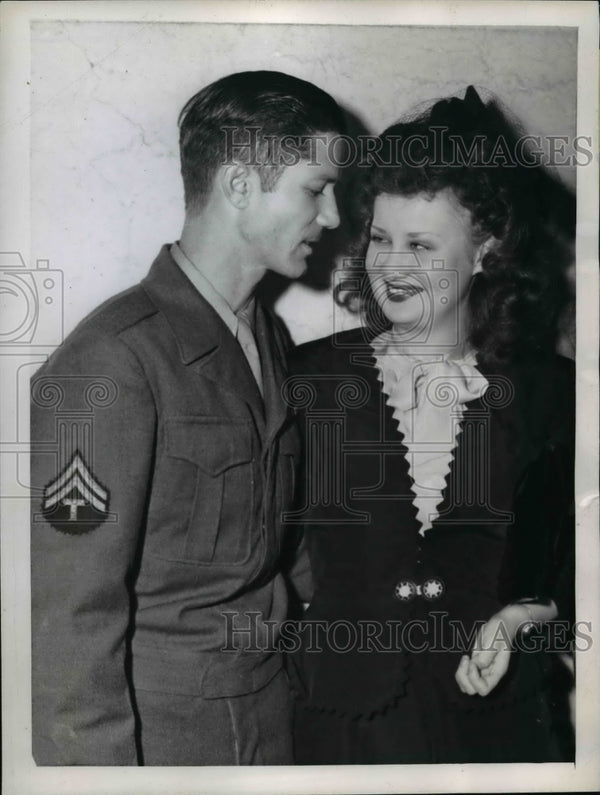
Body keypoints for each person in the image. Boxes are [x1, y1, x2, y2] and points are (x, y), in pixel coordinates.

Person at [30, 70, 343, 765]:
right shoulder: (109, 364)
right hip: (165, 743)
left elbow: (285, 553)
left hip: (274, 718)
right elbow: (70, 626)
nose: (333, 218)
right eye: (316, 189)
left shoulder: (270, 340)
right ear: (239, 186)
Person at [288, 86, 575, 764]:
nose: (391, 265)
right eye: (381, 239)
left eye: (421, 244)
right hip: (342, 733)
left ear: (486, 250)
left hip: (500, 730)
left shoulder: (553, 393)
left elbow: (574, 564)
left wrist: (528, 616)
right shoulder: (307, 379)